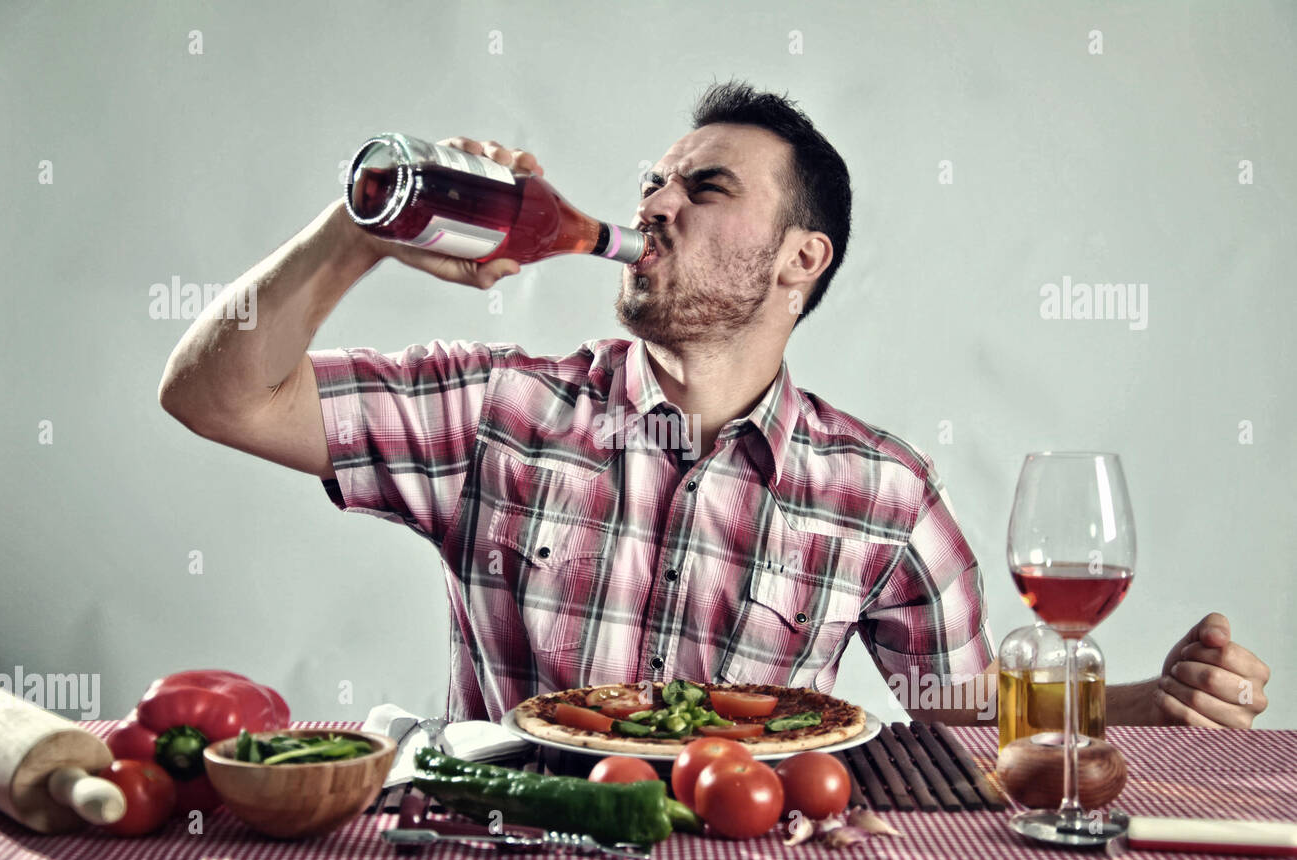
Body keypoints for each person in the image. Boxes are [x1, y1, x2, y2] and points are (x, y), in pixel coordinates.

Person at [159, 81, 1270, 728]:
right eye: (653, 180)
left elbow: (959, 710)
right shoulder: (500, 410)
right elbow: (216, 398)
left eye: (704, 187)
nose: (652, 205)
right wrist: (363, 229)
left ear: (800, 258)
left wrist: (1140, 700)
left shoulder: (877, 491)